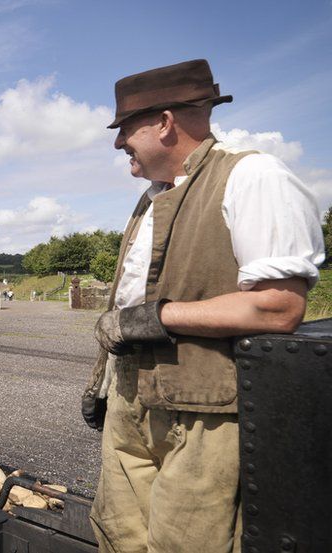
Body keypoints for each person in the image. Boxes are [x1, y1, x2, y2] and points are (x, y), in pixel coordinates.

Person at [81, 59, 325, 552]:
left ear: (165, 123)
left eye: (125, 128)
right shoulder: (152, 197)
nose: (117, 143)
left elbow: (278, 309)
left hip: (205, 415)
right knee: (118, 536)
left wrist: (158, 318)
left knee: (189, 543)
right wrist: (103, 383)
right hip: (130, 404)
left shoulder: (253, 176)